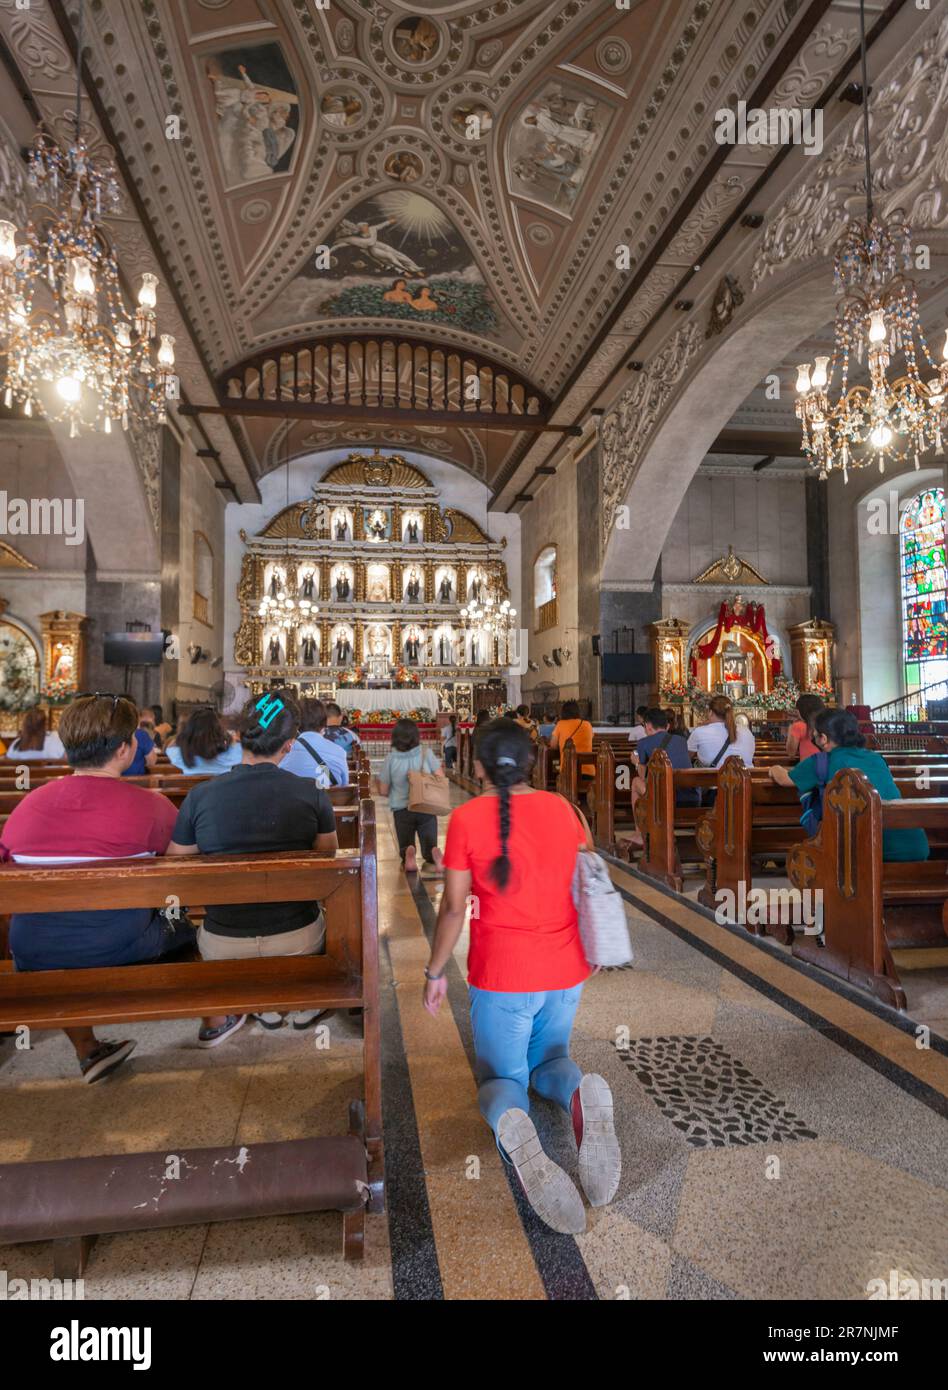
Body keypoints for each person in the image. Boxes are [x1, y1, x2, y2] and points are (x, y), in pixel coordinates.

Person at [423, 718, 620, 1232]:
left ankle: (515, 1125)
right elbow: (587, 882)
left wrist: (435, 970)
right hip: (566, 966)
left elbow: (452, 907)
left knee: (500, 1079)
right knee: (551, 1058)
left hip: (503, 972)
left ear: (480, 766)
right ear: (533, 761)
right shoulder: (566, 811)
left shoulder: (466, 819)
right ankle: (580, 1095)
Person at [0, 694, 195, 1082]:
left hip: (33, 953)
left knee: (52, 932)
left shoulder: (26, 807)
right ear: (124, 749)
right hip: (121, 946)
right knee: (184, 921)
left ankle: (87, 1048)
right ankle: (216, 1018)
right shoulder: (151, 806)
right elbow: (182, 873)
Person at [168, 693, 338, 1042]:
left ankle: (251, 1007)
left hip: (221, 942)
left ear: (238, 736)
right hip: (298, 938)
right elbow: (329, 866)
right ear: (289, 746)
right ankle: (288, 1001)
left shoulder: (201, 796)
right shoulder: (312, 794)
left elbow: (175, 863)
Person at [770, 709, 929, 861]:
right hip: (914, 845)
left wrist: (774, 768)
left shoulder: (822, 761)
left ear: (823, 739)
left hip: (867, 849)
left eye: (815, 736)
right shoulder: (876, 758)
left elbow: (784, 779)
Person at [375, 717, 444, 874]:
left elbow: (383, 790)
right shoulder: (426, 754)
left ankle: (408, 854)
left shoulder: (391, 758)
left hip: (402, 809)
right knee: (429, 839)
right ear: (416, 736)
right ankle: (433, 853)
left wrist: (393, 790)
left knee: (405, 841)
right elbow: (440, 778)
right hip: (425, 806)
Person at [280, 696, 348, 788]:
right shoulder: (339, 752)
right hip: (329, 801)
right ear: (324, 721)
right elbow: (344, 787)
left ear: (296, 723)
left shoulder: (282, 753)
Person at [166, 707, 243, 776]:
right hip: (221, 791)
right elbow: (241, 751)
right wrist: (232, 740)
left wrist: (183, 737)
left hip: (191, 791)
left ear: (190, 730)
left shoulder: (179, 755)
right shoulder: (232, 754)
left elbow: (169, 749)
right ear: (218, 729)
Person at [687, 695, 755, 767]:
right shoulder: (746, 731)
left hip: (712, 777)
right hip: (747, 776)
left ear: (710, 712)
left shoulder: (699, 732)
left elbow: (687, 757)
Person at [550, 699, 595, 777]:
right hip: (588, 771)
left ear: (563, 712)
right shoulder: (587, 725)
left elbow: (553, 745)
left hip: (568, 769)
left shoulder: (560, 724)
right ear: (578, 711)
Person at [786, 693, 825, 761]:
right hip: (825, 765)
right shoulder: (827, 723)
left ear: (802, 711)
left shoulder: (798, 726)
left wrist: (791, 728)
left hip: (807, 767)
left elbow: (791, 753)